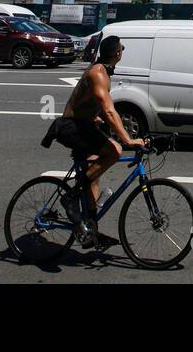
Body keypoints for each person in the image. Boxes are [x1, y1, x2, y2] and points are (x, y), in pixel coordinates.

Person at [50, 34, 146, 246]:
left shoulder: (103, 71)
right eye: (122, 48)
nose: (123, 51)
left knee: (93, 175)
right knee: (114, 151)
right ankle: (71, 197)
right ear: (117, 53)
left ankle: (90, 231)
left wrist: (101, 120)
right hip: (70, 127)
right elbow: (109, 109)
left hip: (83, 125)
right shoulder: (98, 73)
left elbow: (100, 109)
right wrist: (128, 140)